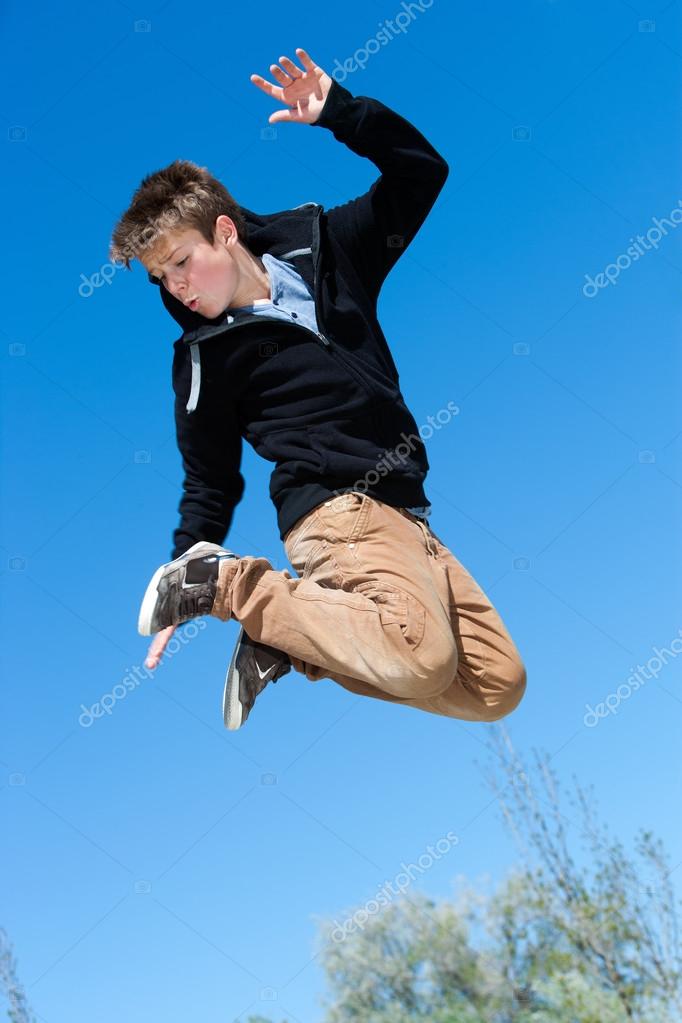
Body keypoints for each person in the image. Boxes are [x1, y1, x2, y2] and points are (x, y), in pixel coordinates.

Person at [110, 47, 527, 730]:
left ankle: (286, 636)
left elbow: (422, 173)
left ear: (225, 230)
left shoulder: (330, 249)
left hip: (409, 513)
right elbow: (209, 479)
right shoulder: (204, 359)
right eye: (162, 278)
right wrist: (189, 571)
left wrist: (342, 112)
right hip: (334, 516)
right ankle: (238, 589)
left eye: (182, 262)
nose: (177, 286)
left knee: (495, 686)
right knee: (422, 660)